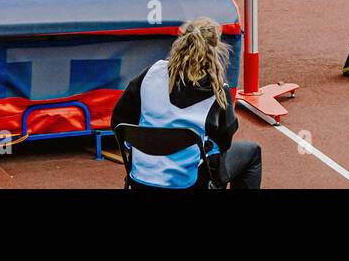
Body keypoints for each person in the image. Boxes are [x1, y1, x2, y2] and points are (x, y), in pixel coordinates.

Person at [110, 18, 263, 188]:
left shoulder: (150, 74)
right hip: (189, 183)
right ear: (215, 51)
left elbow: (119, 120)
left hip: (141, 180)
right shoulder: (218, 91)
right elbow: (224, 142)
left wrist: (146, 144)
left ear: (179, 43)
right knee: (251, 152)